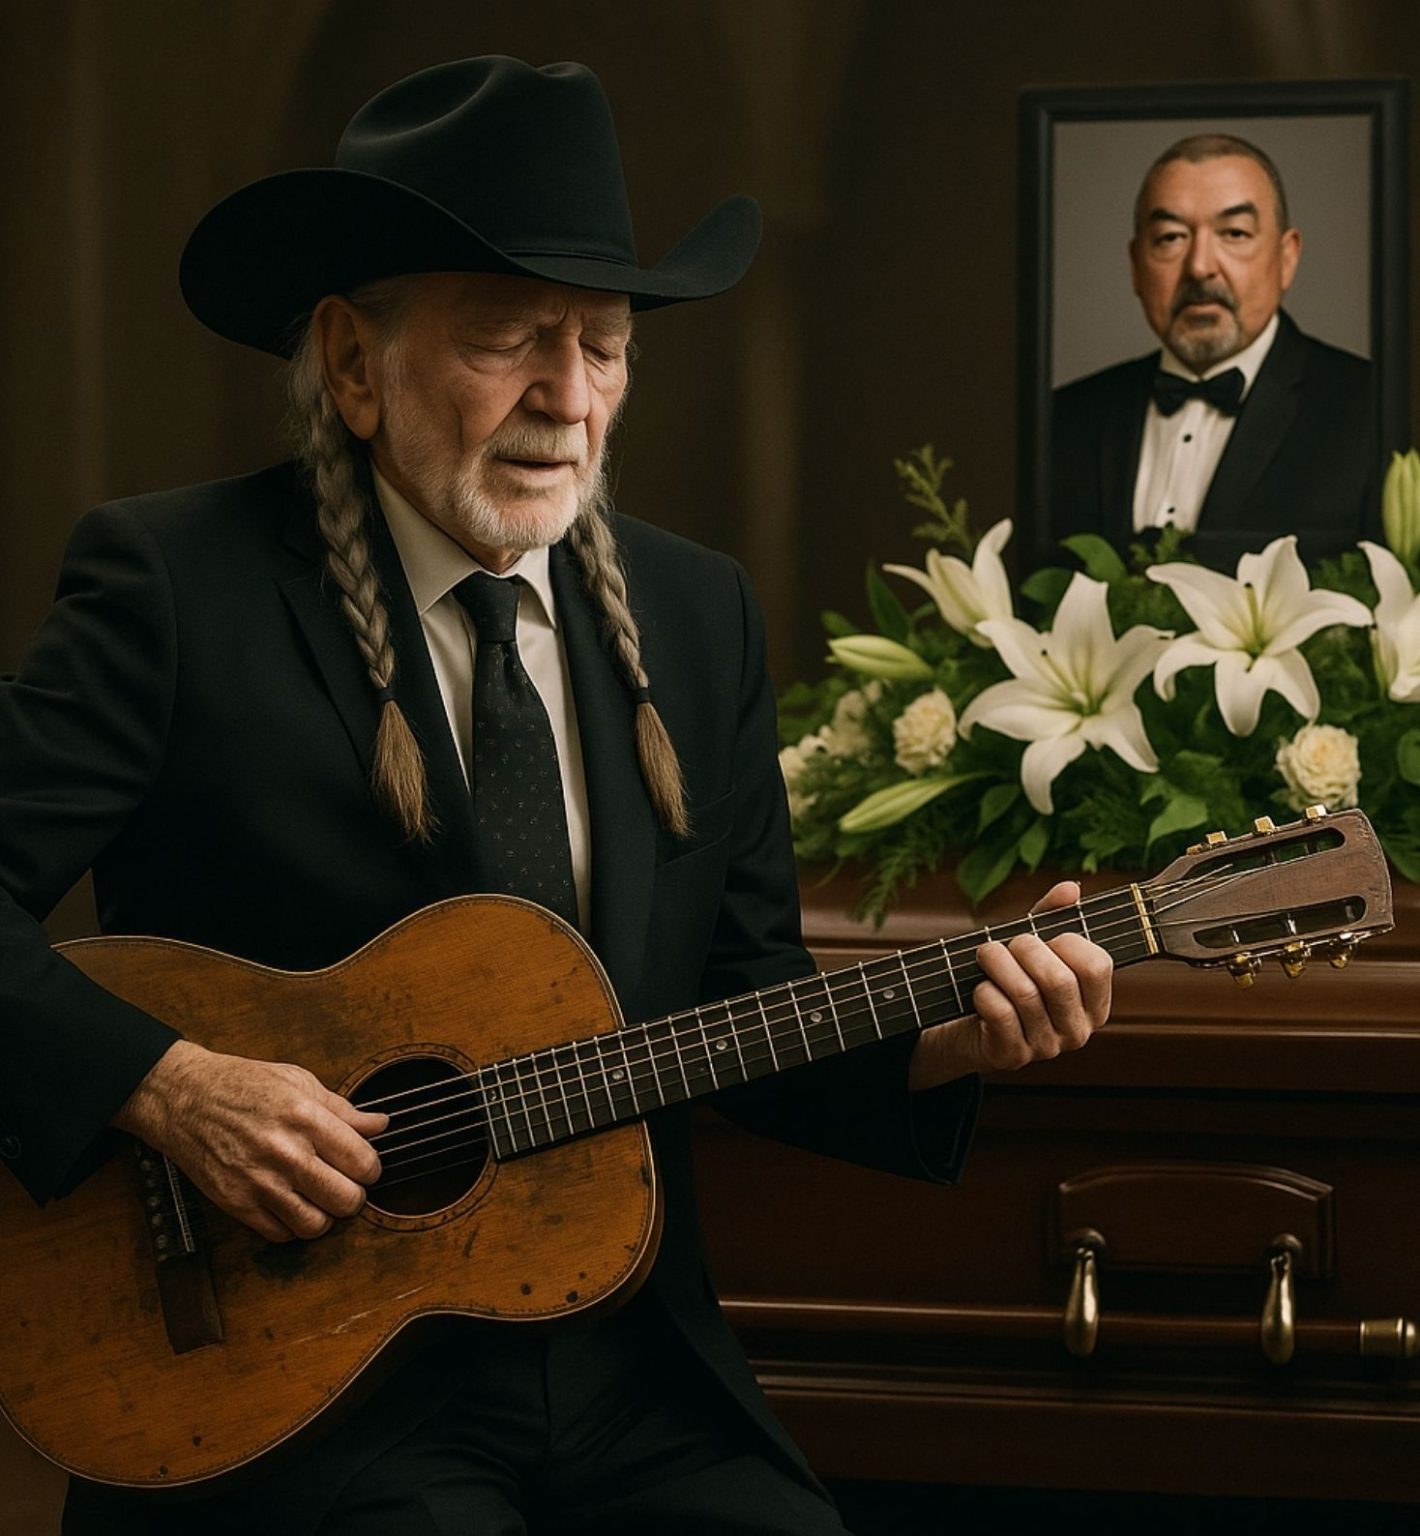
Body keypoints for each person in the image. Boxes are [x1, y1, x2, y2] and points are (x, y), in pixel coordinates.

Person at [0, 58, 1112, 1535]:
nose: (568, 400)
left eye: (602, 344)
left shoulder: (695, 614)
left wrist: (945, 1040)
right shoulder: (176, 588)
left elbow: (740, 1000)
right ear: (351, 362)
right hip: (292, 1375)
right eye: (510, 340)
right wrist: (173, 1087)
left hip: (631, 1367)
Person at [1048, 132, 1380, 570]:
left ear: (1287, 257)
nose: (1200, 266)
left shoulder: (1373, 407)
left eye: (1235, 233)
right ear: (1135, 266)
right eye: (1170, 238)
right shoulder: (1062, 418)